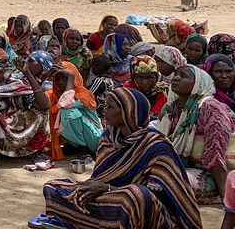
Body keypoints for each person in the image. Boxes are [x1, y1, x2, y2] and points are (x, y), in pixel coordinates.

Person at [37, 87, 201, 229]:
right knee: (54, 187)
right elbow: (100, 178)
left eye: (110, 107)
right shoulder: (108, 138)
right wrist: (89, 189)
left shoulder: (156, 145)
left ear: (128, 111)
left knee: (134, 196)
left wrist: (109, 189)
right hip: (112, 199)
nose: (105, 111)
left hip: (146, 210)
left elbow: (159, 195)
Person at [159, 64, 234, 203]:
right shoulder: (172, 108)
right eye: (176, 74)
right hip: (186, 165)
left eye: (183, 76)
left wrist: (227, 198)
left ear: (198, 83)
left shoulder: (210, 108)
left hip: (217, 173)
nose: (176, 78)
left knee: (168, 184)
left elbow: (216, 155)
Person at [47, 61, 103, 161]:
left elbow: (66, 103)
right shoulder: (55, 95)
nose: (60, 82)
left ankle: (84, 150)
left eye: (65, 78)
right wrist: (43, 76)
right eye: (57, 79)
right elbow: (40, 102)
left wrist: (71, 77)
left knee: (68, 112)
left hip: (94, 139)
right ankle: (76, 146)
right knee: (53, 114)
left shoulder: (84, 94)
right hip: (81, 139)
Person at [85, 55, 114, 119]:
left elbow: (88, 95)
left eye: (92, 66)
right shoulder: (110, 81)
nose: (91, 68)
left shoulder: (99, 81)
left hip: (98, 113)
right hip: (105, 113)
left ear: (97, 67)